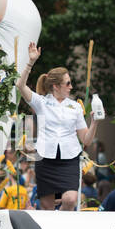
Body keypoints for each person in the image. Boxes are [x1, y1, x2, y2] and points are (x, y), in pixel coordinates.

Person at [14, 43, 99, 211]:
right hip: (45, 158)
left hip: (70, 159)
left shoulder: (75, 107)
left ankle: (61, 224)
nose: (71, 87)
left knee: (70, 199)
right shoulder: (41, 102)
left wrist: (95, 122)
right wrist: (30, 63)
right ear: (56, 86)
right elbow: (20, 86)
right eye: (67, 83)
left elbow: (85, 139)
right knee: (46, 208)